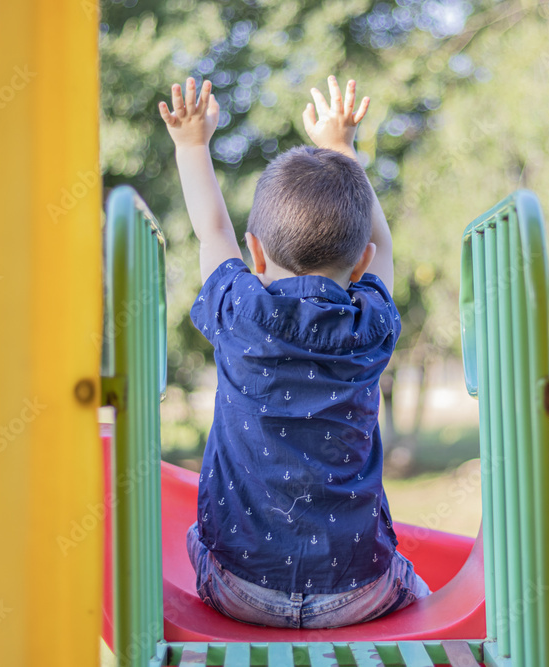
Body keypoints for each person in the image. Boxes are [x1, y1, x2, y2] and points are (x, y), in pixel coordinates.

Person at [159, 74, 430, 629]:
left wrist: (192, 145)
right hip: (359, 591)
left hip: (237, 587)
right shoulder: (371, 322)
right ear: (361, 265)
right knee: (430, 604)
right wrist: (342, 147)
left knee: (192, 536)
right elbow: (385, 246)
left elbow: (212, 230)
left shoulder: (237, 312)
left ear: (253, 253)